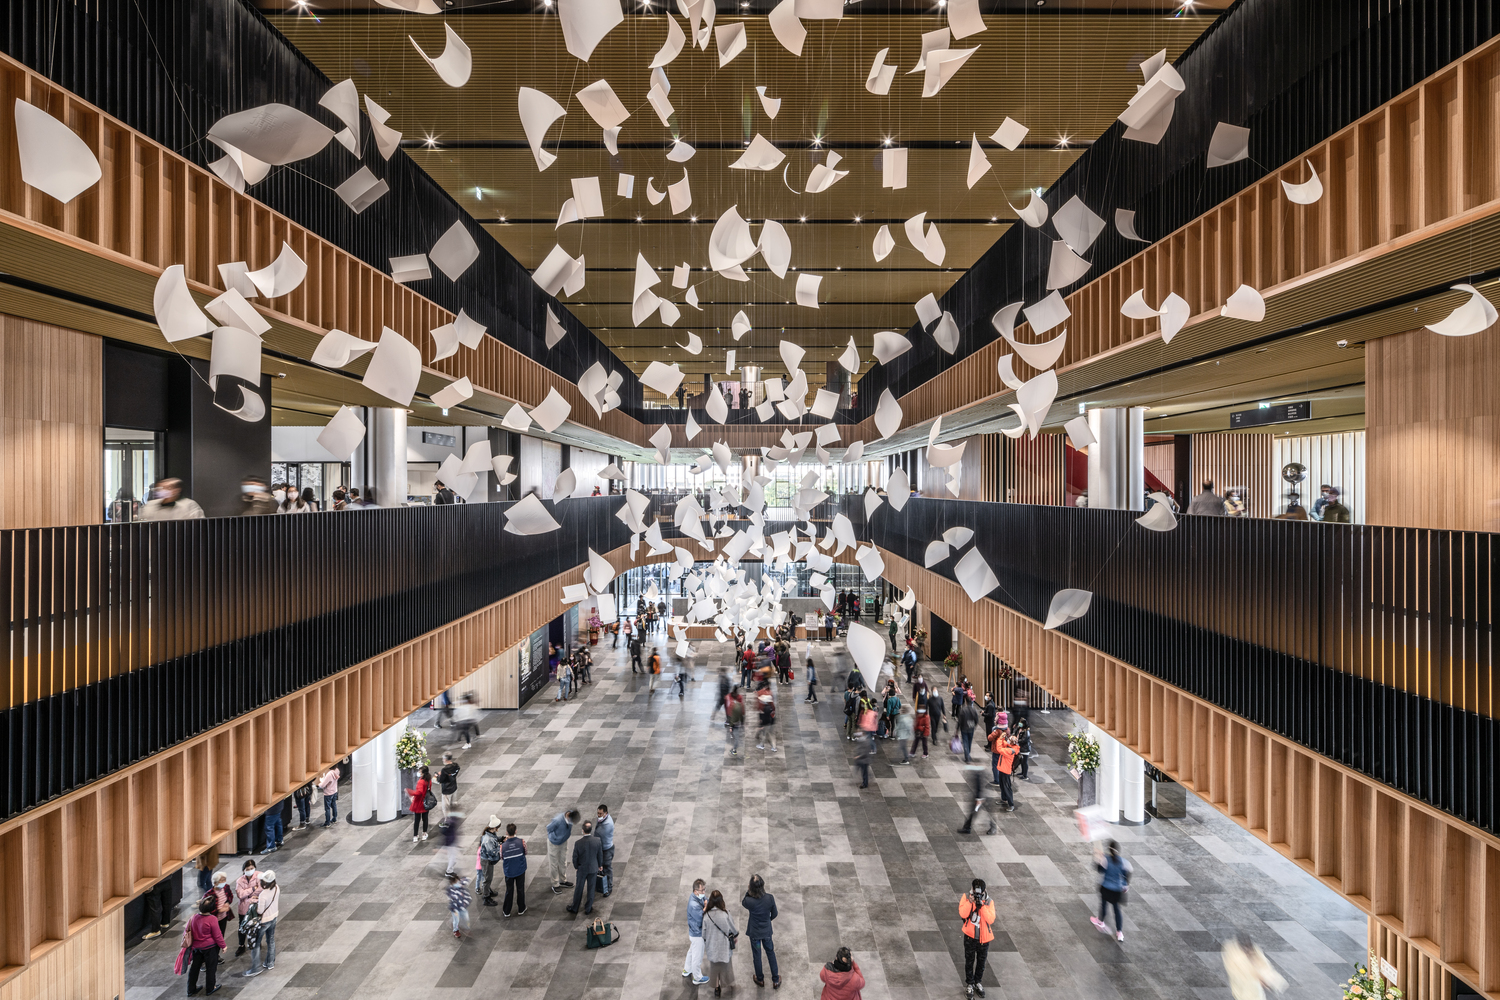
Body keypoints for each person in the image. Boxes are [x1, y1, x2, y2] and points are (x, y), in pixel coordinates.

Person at [740, 874, 780, 989]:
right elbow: (775, 914)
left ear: (751, 888)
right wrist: (767, 921)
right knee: (770, 953)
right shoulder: (769, 898)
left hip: (755, 935)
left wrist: (748, 891)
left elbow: (743, 901)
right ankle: (776, 980)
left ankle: (760, 979)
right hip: (766, 933)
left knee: (757, 955)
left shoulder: (749, 901)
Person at [1222, 935, 1288, 1000]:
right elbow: (1240, 972)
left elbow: (1263, 964)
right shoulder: (1235, 956)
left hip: (1250, 988)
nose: (1248, 950)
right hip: (1246, 988)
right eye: (1246, 947)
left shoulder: (1254, 951)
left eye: (1248, 947)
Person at [959, 878, 996, 996]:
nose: (977, 895)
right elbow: (962, 914)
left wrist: (982, 906)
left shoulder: (989, 902)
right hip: (970, 937)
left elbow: (990, 919)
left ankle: (977, 982)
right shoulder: (966, 897)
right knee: (969, 961)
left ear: (984, 890)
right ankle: (969, 983)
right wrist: (970, 902)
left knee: (981, 963)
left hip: (984, 939)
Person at [1090, 840, 1132, 942]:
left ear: (1109, 849)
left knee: (1103, 905)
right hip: (1117, 890)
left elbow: (1100, 870)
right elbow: (1128, 873)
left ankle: (1100, 921)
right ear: (1118, 851)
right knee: (1116, 910)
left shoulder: (1106, 859)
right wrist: (1125, 886)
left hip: (1106, 887)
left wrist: (1099, 859)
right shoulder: (1123, 862)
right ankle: (1119, 932)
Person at [185, 895, 227, 995]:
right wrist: (223, 946)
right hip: (210, 948)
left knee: (195, 968)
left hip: (196, 947)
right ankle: (210, 987)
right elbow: (217, 935)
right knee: (211, 968)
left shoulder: (194, 917)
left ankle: (191, 989)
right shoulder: (212, 919)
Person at [242, 869, 280, 977]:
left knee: (256, 944)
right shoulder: (277, 888)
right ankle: (270, 963)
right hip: (274, 917)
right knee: (271, 940)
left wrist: (255, 901)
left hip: (264, 921)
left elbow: (260, 911)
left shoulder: (263, 894)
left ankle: (256, 968)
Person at [702, 890, 738, 998]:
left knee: (714, 968)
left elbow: (703, 934)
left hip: (712, 948)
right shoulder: (725, 914)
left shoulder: (706, 916)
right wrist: (734, 937)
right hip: (724, 947)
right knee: (726, 966)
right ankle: (727, 983)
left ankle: (717, 988)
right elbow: (733, 930)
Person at [565, 819, 603, 915]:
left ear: (582, 830)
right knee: (591, 889)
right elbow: (600, 854)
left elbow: (575, 857)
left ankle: (575, 908)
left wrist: (576, 866)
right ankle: (588, 908)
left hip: (582, 869)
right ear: (591, 830)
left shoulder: (578, 843)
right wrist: (600, 865)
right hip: (593, 868)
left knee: (579, 888)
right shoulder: (597, 841)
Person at [682, 879, 710, 986]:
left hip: (694, 933)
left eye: (704, 890)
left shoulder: (695, 897)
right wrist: (705, 907)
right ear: (695, 891)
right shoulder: (694, 904)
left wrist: (704, 906)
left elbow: (706, 900)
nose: (704, 893)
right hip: (698, 934)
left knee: (691, 952)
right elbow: (701, 918)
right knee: (697, 957)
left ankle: (687, 970)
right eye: (702, 890)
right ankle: (697, 978)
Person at [139, 477, 205, 521]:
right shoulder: (150, 505)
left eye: (168, 488)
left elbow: (198, 525)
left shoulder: (189, 505)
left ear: (177, 490)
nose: (162, 490)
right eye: (160, 488)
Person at [957, 764, 996, 836]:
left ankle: (967, 828)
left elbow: (980, 787)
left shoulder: (978, 775)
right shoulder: (980, 773)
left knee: (975, 811)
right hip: (981, 796)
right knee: (975, 812)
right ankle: (967, 827)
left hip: (981, 798)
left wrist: (979, 798)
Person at [233, 859, 261, 955]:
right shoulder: (240, 881)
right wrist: (252, 889)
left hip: (255, 907)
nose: (250, 870)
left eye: (252, 868)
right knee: (242, 927)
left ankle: (257, 943)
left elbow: (261, 890)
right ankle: (241, 945)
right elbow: (240, 894)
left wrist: (248, 894)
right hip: (243, 908)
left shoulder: (259, 876)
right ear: (244, 870)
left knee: (256, 926)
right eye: (248, 869)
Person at [547, 808, 579, 893]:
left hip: (563, 842)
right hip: (554, 843)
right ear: (568, 816)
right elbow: (549, 828)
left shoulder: (571, 817)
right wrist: (555, 838)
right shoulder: (557, 820)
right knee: (554, 864)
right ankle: (555, 884)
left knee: (563, 861)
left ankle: (563, 880)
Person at [500, 822, 528, 916]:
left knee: (509, 890)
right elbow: (525, 852)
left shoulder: (502, 846)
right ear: (516, 831)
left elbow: (501, 857)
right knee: (520, 889)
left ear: (506, 832)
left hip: (509, 872)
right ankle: (521, 908)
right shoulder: (522, 841)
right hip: (520, 869)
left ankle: (507, 911)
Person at [479, 816, 503, 905]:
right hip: (486, 861)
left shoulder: (490, 834)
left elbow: (495, 839)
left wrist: (501, 839)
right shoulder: (488, 839)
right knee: (487, 879)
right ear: (495, 828)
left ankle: (488, 891)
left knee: (489, 877)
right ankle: (486, 897)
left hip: (488, 860)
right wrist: (500, 848)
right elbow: (492, 852)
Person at [204, 871, 234, 938]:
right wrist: (219, 910)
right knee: (213, 937)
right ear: (215, 883)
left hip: (223, 917)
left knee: (221, 935)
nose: (224, 882)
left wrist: (227, 902)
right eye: (221, 880)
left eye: (224, 880)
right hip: (213, 919)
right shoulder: (209, 894)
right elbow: (205, 909)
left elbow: (230, 896)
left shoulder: (226, 887)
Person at [407, 765, 432, 843]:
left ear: (423, 773)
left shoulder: (421, 782)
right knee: (425, 818)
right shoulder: (428, 780)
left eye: (420, 772)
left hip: (419, 803)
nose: (418, 773)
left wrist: (410, 792)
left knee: (417, 820)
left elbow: (419, 792)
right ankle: (424, 833)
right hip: (426, 802)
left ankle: (415, 836)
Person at [445, 871, 472, 939]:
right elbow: (452, 897)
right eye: (456, 882)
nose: (458, 883)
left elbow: (466, 879)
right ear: (452, 883)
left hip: (463, 906)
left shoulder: (460, 884)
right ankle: (456, 930)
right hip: (455, 908)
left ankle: (466, 928)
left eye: (458, 881)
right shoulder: (451, 890)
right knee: (456, 920)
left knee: (466, 917)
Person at [595, 804, 615, 897]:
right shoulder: (604, 819)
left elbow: (596, 836)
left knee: (607, 868)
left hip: (606, 850)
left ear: (605, 813)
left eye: (600, 813)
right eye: (598, 813)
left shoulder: (607, 825)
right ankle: (604, 885)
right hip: (605, 848)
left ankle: (608, 888)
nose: (598, 815)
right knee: (603, 868)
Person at [957, 696, 981, 763]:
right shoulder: (974, 710)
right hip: (971, 728)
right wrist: (974, 725)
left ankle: (967, 757)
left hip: (964, 728)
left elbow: (960, 721)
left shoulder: (963, 710)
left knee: (965, 742)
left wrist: (957, 729)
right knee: (970, 741)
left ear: (966, 702)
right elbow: (976, 720)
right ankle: (968, 753)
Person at [440, 809, 464, 876]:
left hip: (451, 841)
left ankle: (450, 870)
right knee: (452, 858)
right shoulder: (452, 821)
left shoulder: (449, 821)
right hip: (450, 842)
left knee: (452, 857)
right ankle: (449, 871)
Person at [756, 680, 777, 752]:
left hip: (765, 717)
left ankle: (762, 745)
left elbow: (760, 708)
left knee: (765, 732)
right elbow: (773, 706)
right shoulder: (770, 694)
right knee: (770, 732)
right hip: (771, 716)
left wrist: (760, 719)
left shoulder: (760, 694)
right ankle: (773, 746)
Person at [725, 685, 745, 755]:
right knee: (735, 733)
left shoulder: (730, 696)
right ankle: (734, 748)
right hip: (736, 719)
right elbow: (742, 712)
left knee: (732, 730)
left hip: (731, 716)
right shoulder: (739, 698)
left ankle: (734, 749)